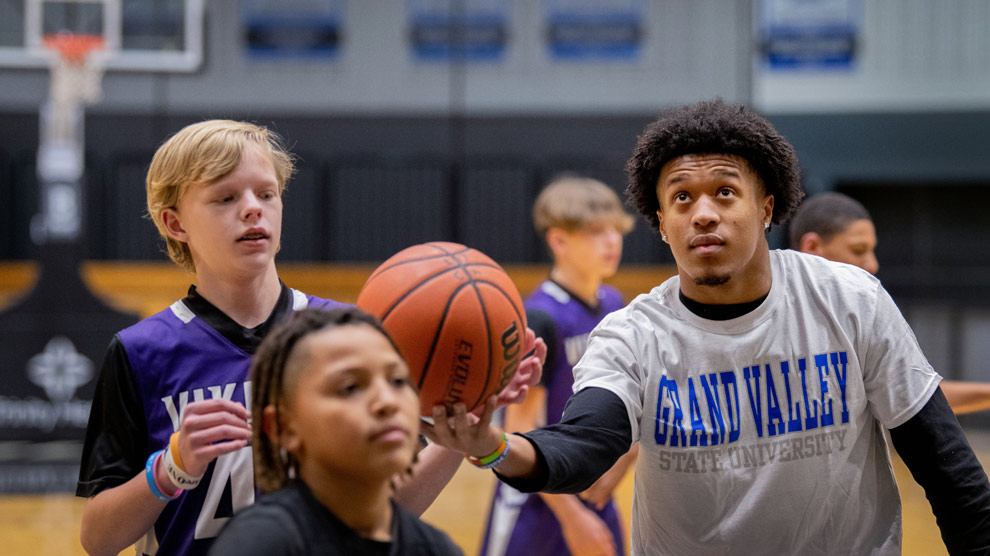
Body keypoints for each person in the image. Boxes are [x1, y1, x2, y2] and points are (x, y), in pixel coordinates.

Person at [424, 99, 990, 555]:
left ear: (767, 209)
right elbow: (584, 447)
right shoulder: (632, 335)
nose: (703, 212)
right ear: (663, 224)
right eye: (681, 198)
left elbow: (946, 467)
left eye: (724, 191)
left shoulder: (850, 300)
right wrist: (492, 445)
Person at [75, 119, 543, 556]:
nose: (253, 208)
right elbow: (98, 538)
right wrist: (171, 467)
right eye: (225, 198)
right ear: (175, 224)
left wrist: (467, 419)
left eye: (267, 193)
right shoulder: (141, 352)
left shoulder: (349, 333)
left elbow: (386, 510)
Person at [208, 307, 463, 555]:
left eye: (398, 380)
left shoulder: (436, 548)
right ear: (282, 427)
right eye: (350, 387)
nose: (387, 401)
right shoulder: (261, 542)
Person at [479, 176, 638, 556]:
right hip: (538, 496)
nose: (612, 241)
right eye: (596, 232)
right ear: (558, 241)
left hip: (593, 487)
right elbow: (519, 428)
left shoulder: (616, 304)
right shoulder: (540, 317)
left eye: (616, 230)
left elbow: (636, 402)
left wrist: (615, 469)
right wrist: (571, 517)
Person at [791, 191, 990, 415]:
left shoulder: (861, 318)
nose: (872, 264)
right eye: (858, 250)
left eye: (872, 250)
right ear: (812, 247)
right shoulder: (777, 320)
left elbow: (914, 394)